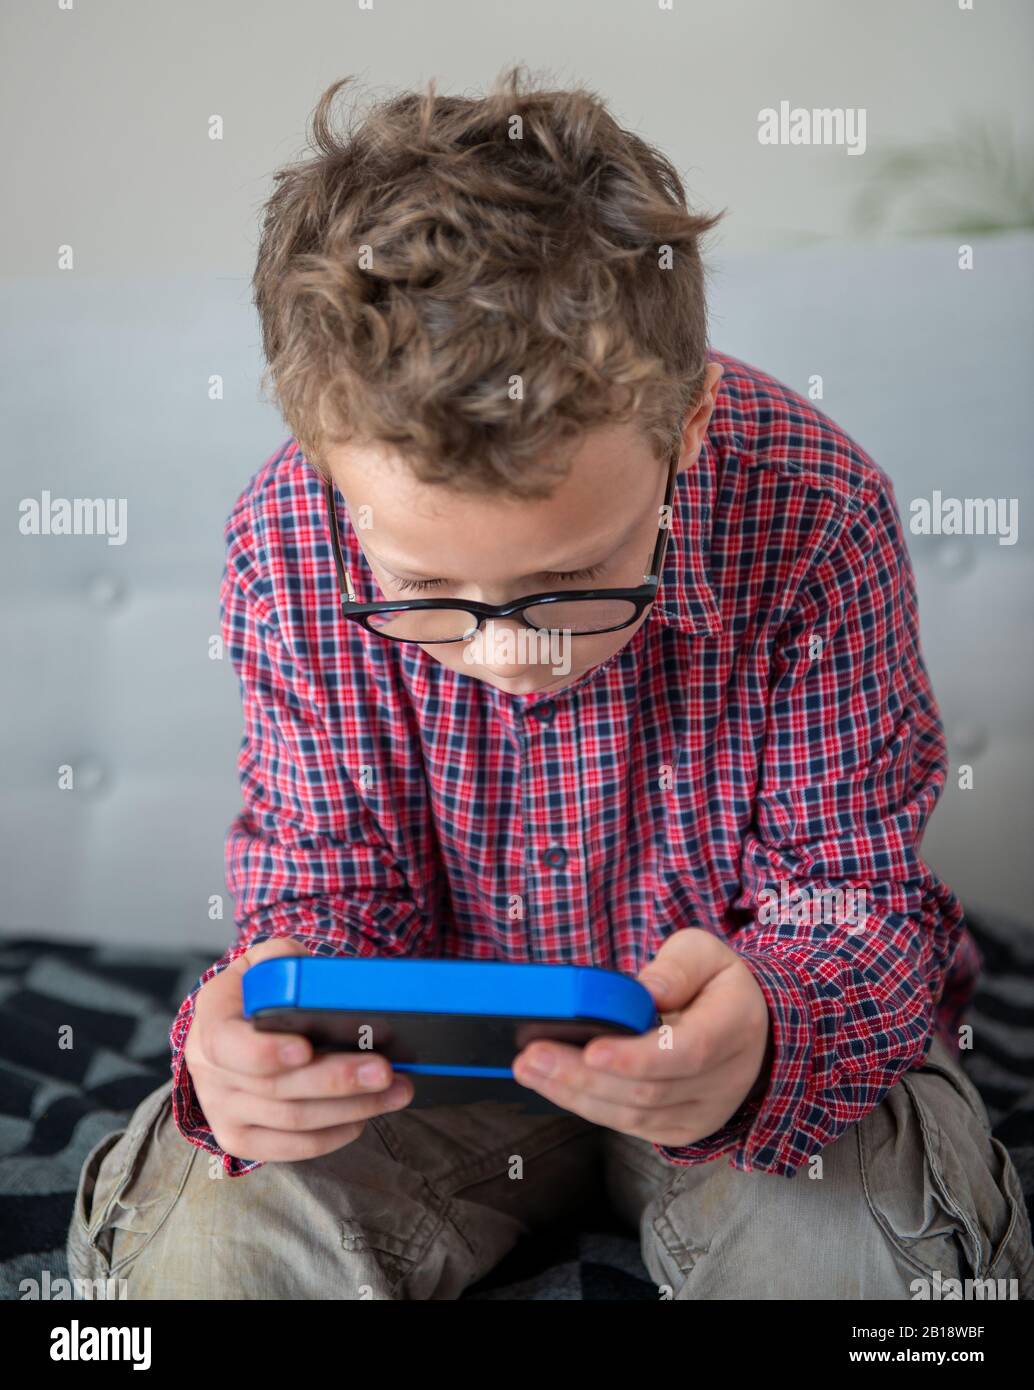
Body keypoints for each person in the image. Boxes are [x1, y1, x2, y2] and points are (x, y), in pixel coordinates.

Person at [67, 67, 1034, 1300]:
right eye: (427, 594)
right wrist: (250, 1026)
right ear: (331, 474)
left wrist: (773, 1021)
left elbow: (851, 890)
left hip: (755, 1058)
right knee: (208, 1249)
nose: (513, 658)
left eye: (575, 579)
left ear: (682, 434)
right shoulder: (285, 541)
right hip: (422, 1077)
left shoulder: (813, 508)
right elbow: (325, 884)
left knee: (857, 1261)